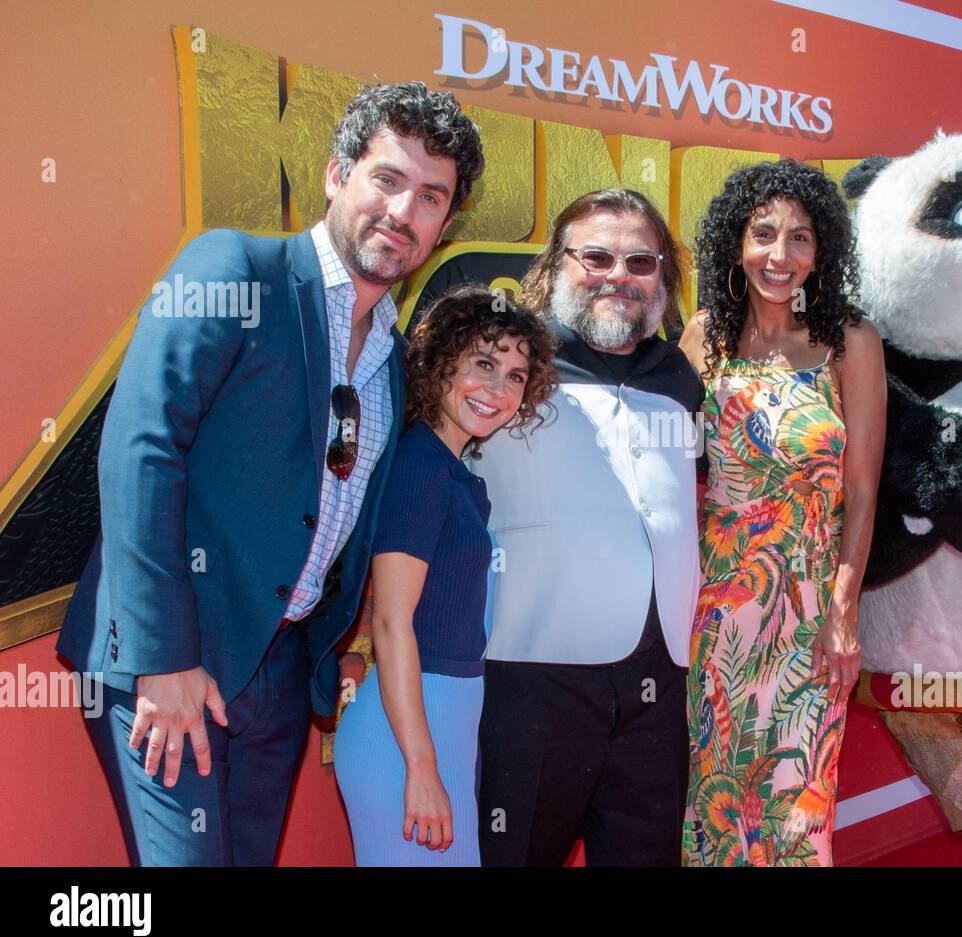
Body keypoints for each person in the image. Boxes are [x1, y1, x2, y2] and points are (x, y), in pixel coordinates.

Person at [56, 82, 484, 866]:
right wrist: (165, 658)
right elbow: (141, 449)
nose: (402, 211)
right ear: (336, 174)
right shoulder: (234, 269)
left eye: (430, 196)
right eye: (387, 179)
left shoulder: (392, 358)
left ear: (445, 225)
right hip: (176, 656)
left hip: (283, 675)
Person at [469, 188, 704, 866]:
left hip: (660, 683)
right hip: (532, 678)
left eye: (640, 261)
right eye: (596, 256)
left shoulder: (681, 377)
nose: (618, 276)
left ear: (663, 279)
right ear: (555, 265)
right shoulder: (509, 362)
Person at [678, 159, 887, 866]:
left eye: (800, 238)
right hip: (718, 614)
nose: (780, 255)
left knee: (799, 811)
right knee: (715, 801)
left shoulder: (848, 343)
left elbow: (861, 492)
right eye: (763, 234)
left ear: (821, 250)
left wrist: (843, 615)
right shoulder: (702, 339)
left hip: (808, 620)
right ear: (734, 244)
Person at [333, 285, 555, 866]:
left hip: (442, 731)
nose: (498, 389)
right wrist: (422, 766)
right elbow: (389, 622)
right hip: (405, 741)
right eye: (484, 364)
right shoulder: (420, 467)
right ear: (440, 365)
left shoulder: (450, 470)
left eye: (515, 375)